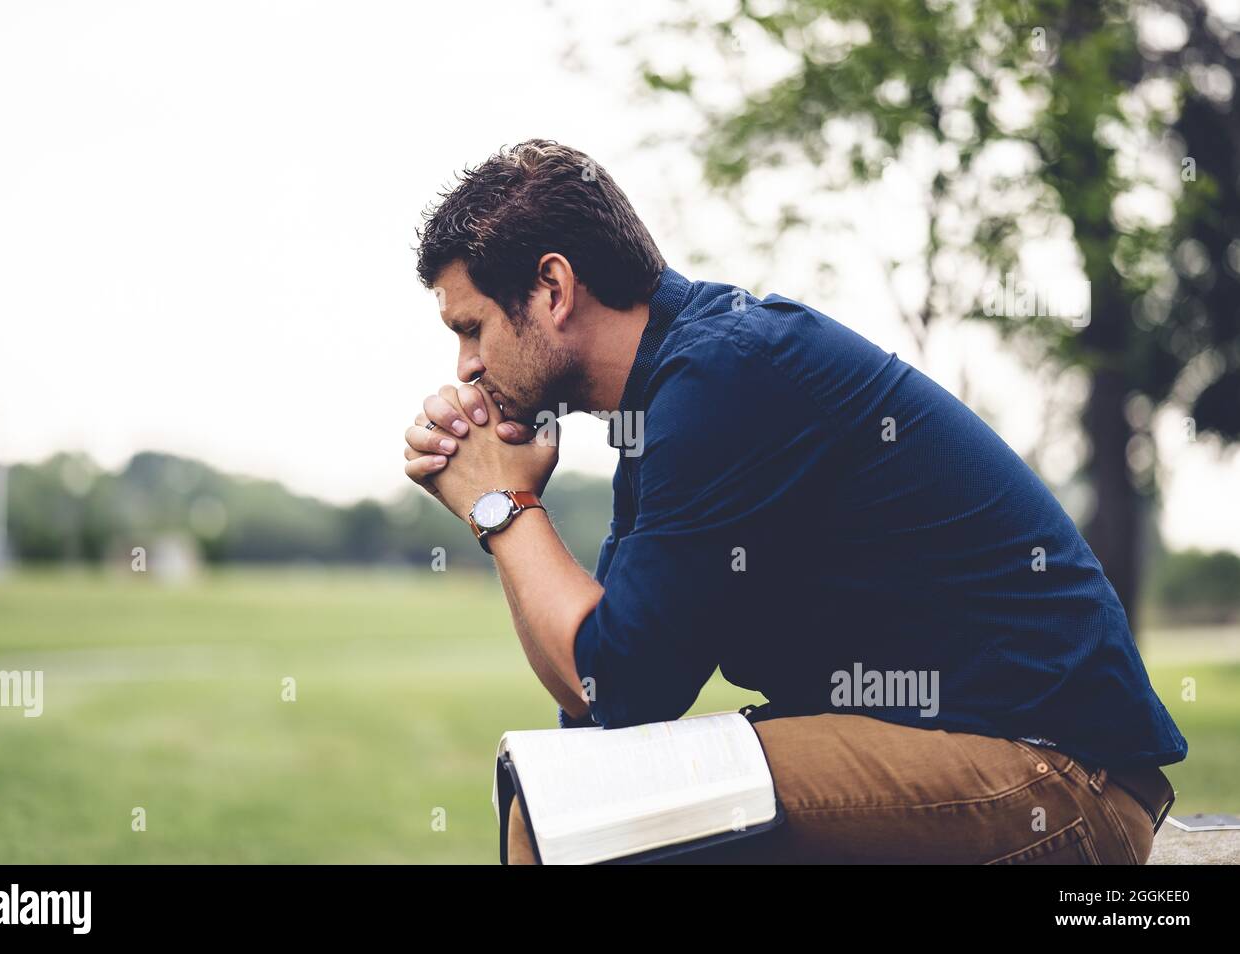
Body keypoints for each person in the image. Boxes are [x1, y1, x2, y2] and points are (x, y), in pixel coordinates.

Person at [401, 139, 1184, 864]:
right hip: (990, 754)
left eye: (471, 329)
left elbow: (616, 684)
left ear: (552, 287)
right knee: (563, 795)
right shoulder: (670, 395)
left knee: (567, 816)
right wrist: (510, 500)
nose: (466, 368)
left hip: (1063, 777)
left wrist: (500, 507)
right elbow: (606, 707)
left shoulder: (724, 376)